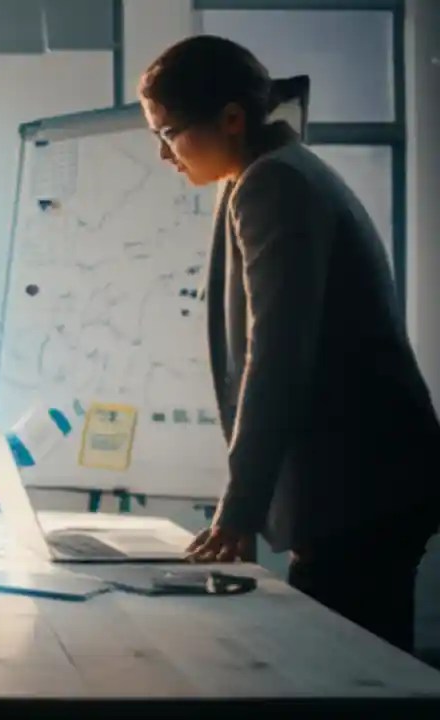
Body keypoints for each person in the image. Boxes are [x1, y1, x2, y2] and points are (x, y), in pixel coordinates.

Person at [139, 35, 440, 653]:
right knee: (343, 664)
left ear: (231, 118)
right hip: (366, 486)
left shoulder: (272, 185)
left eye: (168, 133)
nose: (163, 154)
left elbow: (275, 359)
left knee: (342, 672)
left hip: (363, 488)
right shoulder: (263, 174)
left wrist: (238, 512)